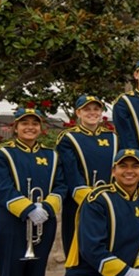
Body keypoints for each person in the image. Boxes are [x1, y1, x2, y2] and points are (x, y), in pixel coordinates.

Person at [0, 107, 65, 276]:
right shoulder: (1, 154)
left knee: (36, 270)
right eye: (24, 123)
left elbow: (61, 185)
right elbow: (1, 186)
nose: (30, 127)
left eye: (34, 123)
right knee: (12, 269)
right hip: (12, 221)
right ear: (15, 127)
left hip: (44, 220)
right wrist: (28, 208)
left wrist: (47, 207)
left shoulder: (52, 156)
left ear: (41, 128)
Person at [56, 95, 118, 254]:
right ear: (78, 112)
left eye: (96, 109)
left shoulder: (112, 137)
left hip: (109, 200)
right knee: (77, 247)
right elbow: (71, 172)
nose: (92, 113)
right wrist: (90, 198)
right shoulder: (68, 138)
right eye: (87, 109)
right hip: (79, 203)